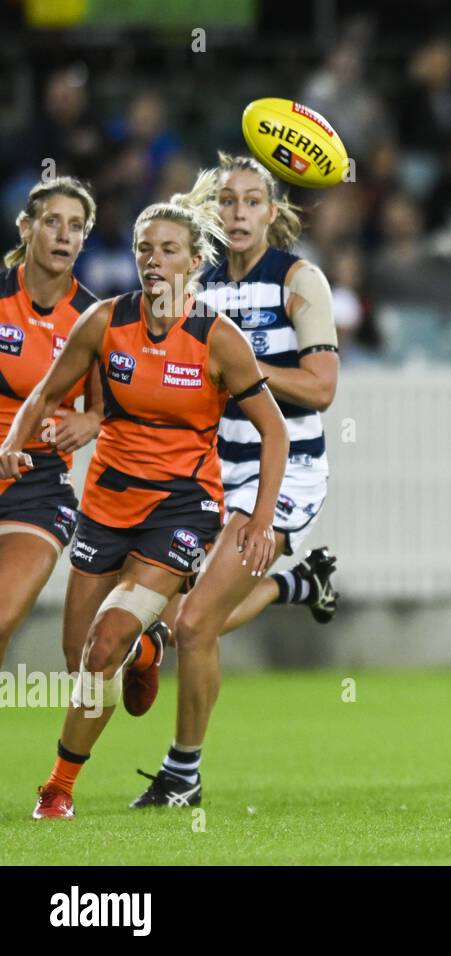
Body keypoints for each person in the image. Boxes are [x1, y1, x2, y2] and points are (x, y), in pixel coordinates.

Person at [5, 195, 288, 820]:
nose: (153, 261)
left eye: (168, 250)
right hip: (106, 505)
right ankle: (149, 649)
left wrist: (262, 521)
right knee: (82, 657)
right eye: (144, 249)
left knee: (103, 645)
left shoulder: (219, 339)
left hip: (183, 509)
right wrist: (12, 443)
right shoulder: (105, 322)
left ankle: (57, 789)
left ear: (195, 260)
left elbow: (275, 431)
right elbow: (47, 392)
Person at [130, 153, 341, 807]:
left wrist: (236, 367)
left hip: (285, 471)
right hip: (207, 472)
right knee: (179, 614)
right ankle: (294, 583)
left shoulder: (301, 281)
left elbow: (322, 387)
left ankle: (182, 775)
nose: (238, 212)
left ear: (271, 213)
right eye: (226, 201)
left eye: (252, 201)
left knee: (192, 623)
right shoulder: (196, 284)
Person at [0, 178, 101, 667]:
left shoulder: (95, 318)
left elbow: (111, 408)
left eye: (76, 227)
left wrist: (93, 421)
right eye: (52, 222)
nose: (64, 235)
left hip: (36, 485)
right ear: (25, 228)